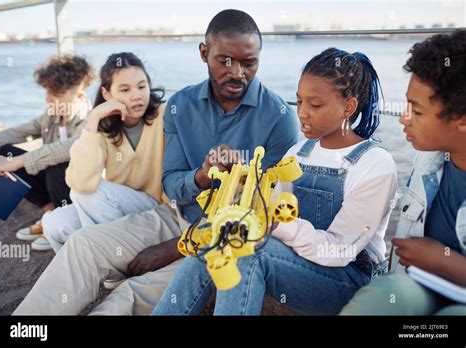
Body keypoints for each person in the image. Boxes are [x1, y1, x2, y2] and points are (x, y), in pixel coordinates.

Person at [13, 9, 299, 315]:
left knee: (127, 297)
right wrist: (201, 176)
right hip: (173, 216)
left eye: (249, 62)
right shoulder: (181, 105)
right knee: (82, 245)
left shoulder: (279, 118)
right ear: (204, 53)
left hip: (224, 245)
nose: (238, 72)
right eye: (225, 60)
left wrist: (174, 247)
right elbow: (172, 183)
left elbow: (261, 217)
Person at [152, 47, 398, 315]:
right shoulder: (298, 153)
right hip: (298, 262)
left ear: (348, 107)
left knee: (246, 252)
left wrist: (276, 224)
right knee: (217, 240)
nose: (302, 113)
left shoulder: (373, 163)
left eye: (315, 105)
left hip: (349, 281)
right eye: (299, 101)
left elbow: (338, 250)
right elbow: (269, 209)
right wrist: (243, 188)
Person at [340, 29, 466, 316]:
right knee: (390, 294)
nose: (403, 117)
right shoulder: (427, 163)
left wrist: (444, 262)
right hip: (419, 290)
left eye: (417, 111)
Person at [42, 52, 165, 253]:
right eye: (125, 89)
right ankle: (100, 259)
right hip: (117, 211)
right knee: (54, 223)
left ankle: (112, 258)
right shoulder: (101, 126)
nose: (136, 95)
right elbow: (80, 182)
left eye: (142, 87)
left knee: (90, 195)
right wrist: (93, 120)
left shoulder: (165, 115)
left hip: (156, 210)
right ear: (106, 94)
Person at [0, 54, 94, 251]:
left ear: (79, 96)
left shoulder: (91, 119)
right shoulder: (51, 116)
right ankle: (51, 215)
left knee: (56, 164)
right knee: (5, 151)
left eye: (55, 94)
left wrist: (16, 162)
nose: (47, 99)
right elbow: (17, 132)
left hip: (83, 190)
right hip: (55, 186)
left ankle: (66, 223)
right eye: (47, 91)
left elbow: (69, 149)